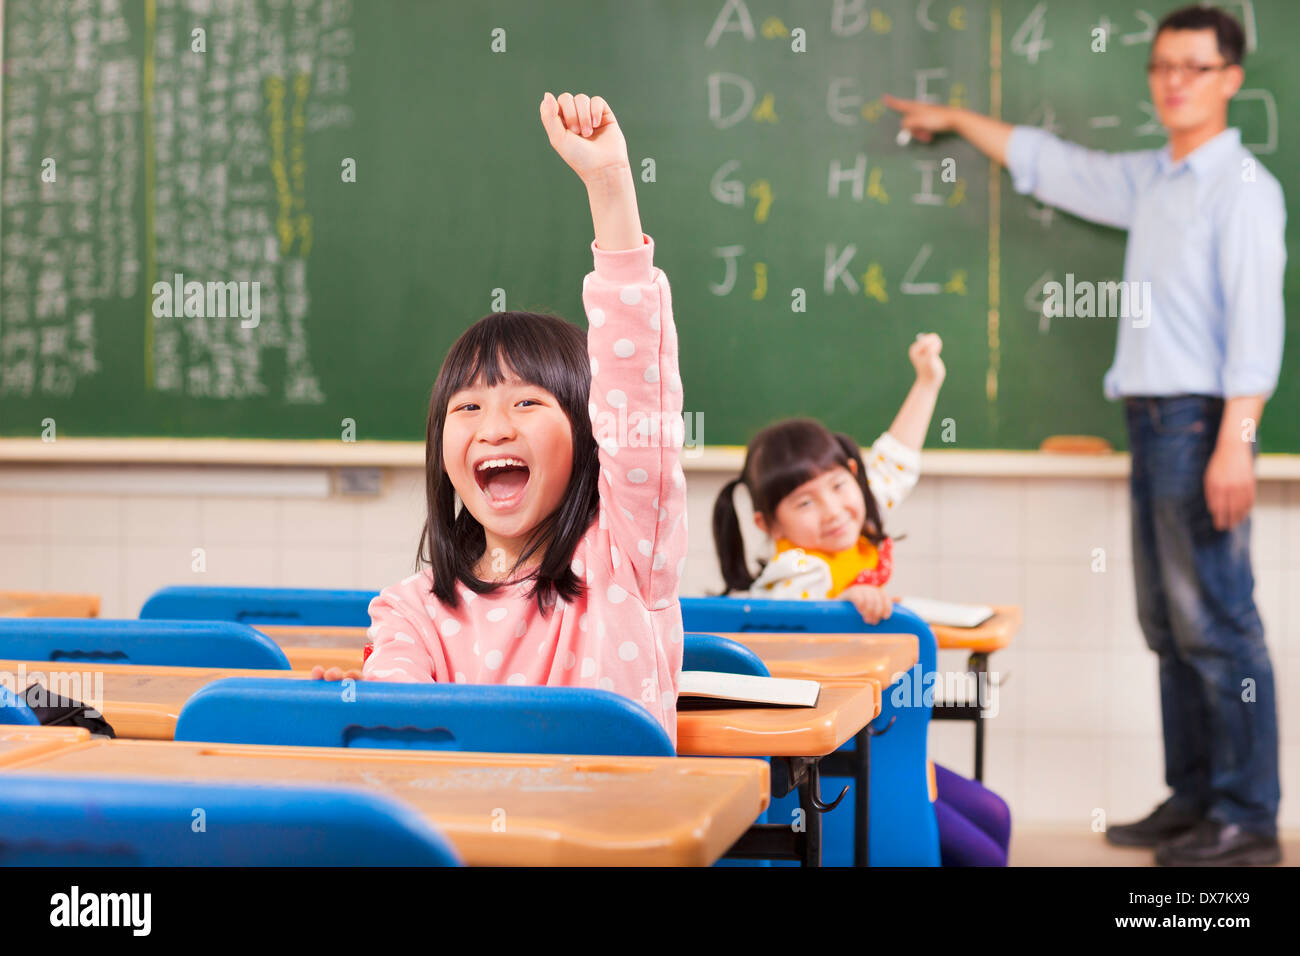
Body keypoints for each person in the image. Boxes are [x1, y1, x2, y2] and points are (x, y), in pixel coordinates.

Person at [885, 5, 1283, 866]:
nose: (1176, 82)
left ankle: (1247, 815)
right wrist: (955, 119)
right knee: (1169, 623)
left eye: (1196, 67)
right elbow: (1053, 164)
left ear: (1231, 79)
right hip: (1151, 421)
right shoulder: (1155, 177)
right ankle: (1195, 799)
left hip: (1201, 421)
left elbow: (1258, 328)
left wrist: (1236, 443)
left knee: (1217, 622)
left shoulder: (1240, 189)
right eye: (1162, 67)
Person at [316, 92, 689, 746]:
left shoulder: (625, 558)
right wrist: (355, 708)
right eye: (468, 408)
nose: (493, 428)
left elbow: (638, 401)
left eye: (526, 402)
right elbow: (402, 721)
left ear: (590, 431)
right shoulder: (414, 610)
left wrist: (608, 184)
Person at [713, 336, 1014, 867]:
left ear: (853, 477)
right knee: (983, 852)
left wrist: (927, 382)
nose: (832, 510)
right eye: (804, 501)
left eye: (836, 486)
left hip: (880, 743)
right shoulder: (798, 570)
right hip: (836, 757)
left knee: (995, 814)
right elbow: (802, 620)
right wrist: (845, 605)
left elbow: (896, 461)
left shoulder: (852, 519)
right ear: (768, 524)